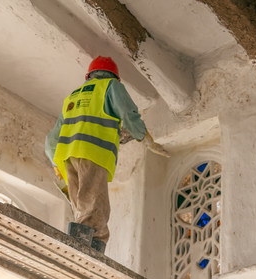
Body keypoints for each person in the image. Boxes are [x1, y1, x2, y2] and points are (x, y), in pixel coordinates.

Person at [45, 56, 166, 253]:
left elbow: (51, 140)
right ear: (115, 77)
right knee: (95, 207)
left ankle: (80, 247)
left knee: (81, 209)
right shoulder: (110, 86)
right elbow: (128, 114)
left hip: (68, 158)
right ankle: (92, 250)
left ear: (88, 76)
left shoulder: (72, 97)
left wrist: (56, 164)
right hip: (94, 153)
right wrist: (144, 137)